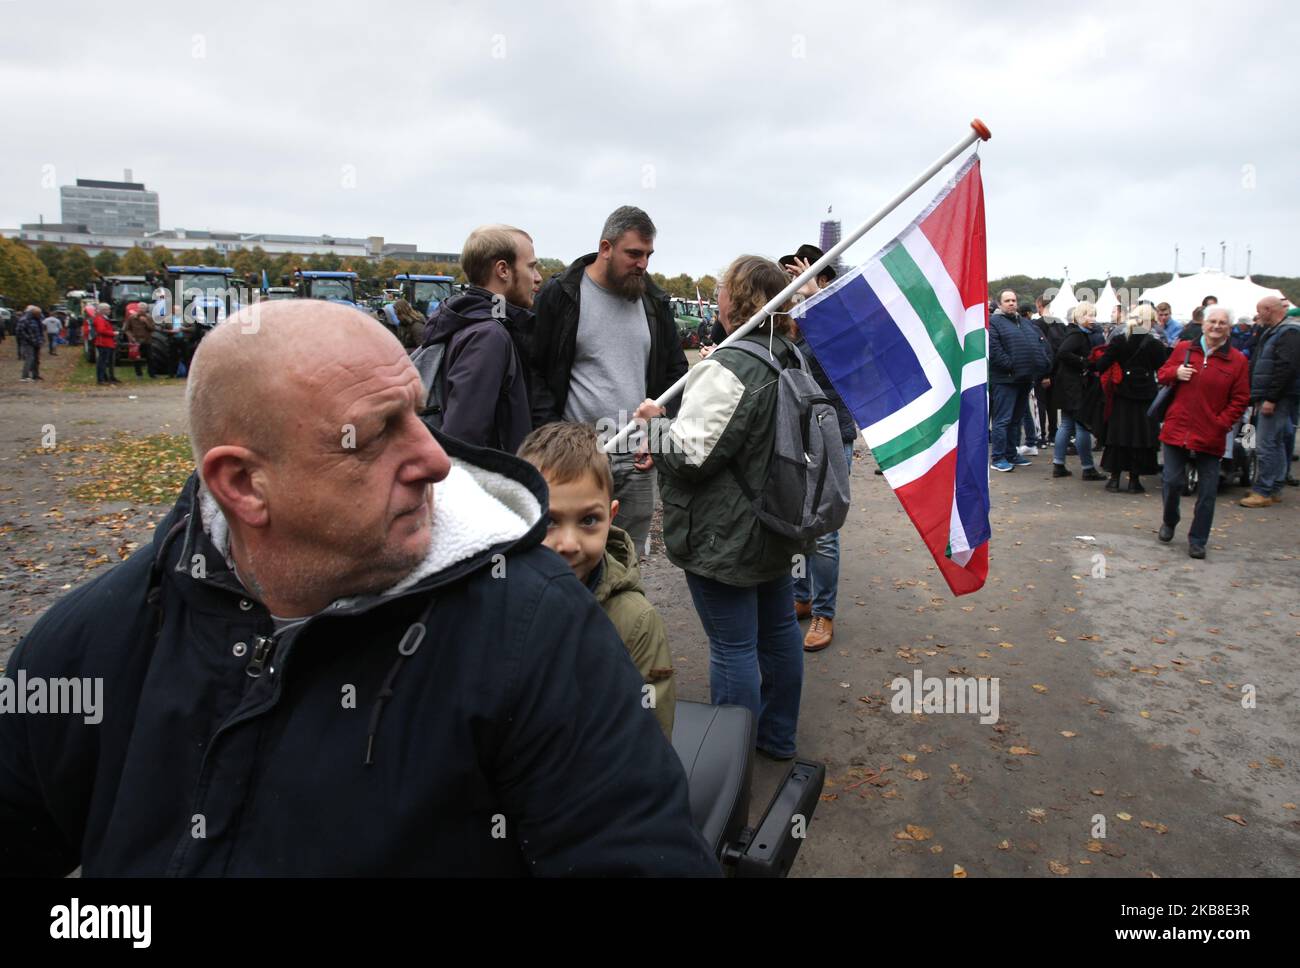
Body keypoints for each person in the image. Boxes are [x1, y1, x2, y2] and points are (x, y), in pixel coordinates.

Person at [0, 300, 717, 876]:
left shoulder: (533, 626)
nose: (437, 459)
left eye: (417, 411)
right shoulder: (97, 640)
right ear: (245, 484)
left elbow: (634, 845)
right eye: (375, 436)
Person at [656, 255, 806, 760]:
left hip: (728, 530)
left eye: (723, 289)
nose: (717, 297)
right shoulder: (789, 354)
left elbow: (690, 456)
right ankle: (776, 736)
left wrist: (654, 426)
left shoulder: (733, 364)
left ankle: (728, 759)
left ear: (737, 299)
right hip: (777, 518)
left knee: (734, 647)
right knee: (779, 630)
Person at [531, 206, 689, 557]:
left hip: (639, 460)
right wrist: (553, 442)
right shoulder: (562, 295)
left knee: (626, 564)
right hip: (579, 460)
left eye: (648, 255)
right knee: (572, 557)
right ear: (606, 248)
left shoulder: (654, 301)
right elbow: (536, 373)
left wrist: (658, 434)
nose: (643, 264)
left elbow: (675, 375)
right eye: (633, 253)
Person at [517, 421, 675, 739]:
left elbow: (648, 737)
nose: (569, 544)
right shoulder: (493, 600)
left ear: (611, 516)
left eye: (589, 520)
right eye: (549, 521)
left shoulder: (635, 623)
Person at [421, 225, 540, 453]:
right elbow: (464, 439)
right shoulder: (489, 336)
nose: (537, 278)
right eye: (531, 267)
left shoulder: (466, 320)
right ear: (503, 270)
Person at [1157, 307, 1250, 557]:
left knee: (1208, 491)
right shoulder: (1184, 349)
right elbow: (1162, 374)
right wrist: (1175, 372)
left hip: (1211, 433)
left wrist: (1222, 423)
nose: (1216, 326)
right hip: (1178, 426)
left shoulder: (1238, 360)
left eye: (1222, 323)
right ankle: (1170, 520)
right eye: (1212, 321)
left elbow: (1241, 399)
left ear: (1229, 328)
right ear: (1203, 324)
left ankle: (1198, 539)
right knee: (1172, 481)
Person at [1094, 304, 1168, 492]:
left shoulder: (1119, 340)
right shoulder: (1154, 344)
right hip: (1145, 395)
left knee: (1118, 436)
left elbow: (1102, 364)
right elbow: (1163, 370)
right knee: (1140, 438)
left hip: (1122, 394)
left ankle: (1114, 478)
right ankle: (1135, 480)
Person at [1240, 296, 1300, 508]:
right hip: (1275, 396)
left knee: (1266, 443)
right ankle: (1273, 486)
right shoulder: (1279, 331)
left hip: (1276, 397)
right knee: (1276, 441)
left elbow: (1286, 367)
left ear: (1268, 310)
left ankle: (1264, 490)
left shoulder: (1288, 332)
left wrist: (1271, 398)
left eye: (1260, 311)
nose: (1258, 316)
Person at [988, 289, 1051, 472]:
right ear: (1000, 304)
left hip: (1024, 379)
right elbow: (994, 349)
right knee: (1002, 420)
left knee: (1016, 420)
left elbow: (1039, 344)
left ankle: (1011, 453)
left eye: (1014, 300)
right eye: (1007, 300)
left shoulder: (1023, 323)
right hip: (1005, 380)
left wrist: (1041, 365)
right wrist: (1012, 366)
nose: (1011, 303)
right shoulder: (994, 323)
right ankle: (998, 457)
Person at [1051, 302, 1105, 480]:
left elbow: (1062, 354)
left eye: (1093, 315)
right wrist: (1083, 362)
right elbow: (1063, 353)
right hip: (1074, 386)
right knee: (1081, 426)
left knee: (1067, 424)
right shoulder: (1077, 334)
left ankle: (1059, 464)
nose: (1093, 319)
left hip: (1067, 385)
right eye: (1089, 315)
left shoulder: (1073, 332)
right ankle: (1087, 467)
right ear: (1080, 316)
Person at [1033, 297, 1067, 446]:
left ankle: (1042, 437)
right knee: (1052, 405)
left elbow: (1038, 350)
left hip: (1042, 371)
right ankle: (1053, 433)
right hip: (1057, 371)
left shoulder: (1037, 324)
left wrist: (1045, 374)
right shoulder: (1061, 323)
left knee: (1040, 404)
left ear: (1039, 306)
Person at [122, 301, 155, 378]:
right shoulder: (131, 318)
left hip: (147, 340)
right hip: (136, 341)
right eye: (140, 308)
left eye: (144, 308)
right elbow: (126, 329)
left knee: (150, 358)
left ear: (146, 309)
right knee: (137, 358)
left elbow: (152, 328)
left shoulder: (149, 318)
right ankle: (139, 374)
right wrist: (131, 337)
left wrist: (146, 321)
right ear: (138, 308)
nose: (142, 310)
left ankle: (152, 374)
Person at [90, 302, 119, 385]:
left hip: (107, 343)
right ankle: (101, 379)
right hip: (104, 343)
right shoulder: (100, 319)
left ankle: (107, 377)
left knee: (106, 361)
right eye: (108, 309)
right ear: (103, 310)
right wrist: (113, 333)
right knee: (102, 362)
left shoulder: (103, 318)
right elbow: (101, 330)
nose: (109, 311)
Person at [16, 306, 43, 382]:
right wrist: (28, 338)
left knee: (36, 360)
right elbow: (19, 331)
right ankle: (24, 376)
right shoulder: (24, 320)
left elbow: (40, 331)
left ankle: (35, 375)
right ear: (33, 313)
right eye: (37, 313)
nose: (39, 315)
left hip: (37, 342)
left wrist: (41, 340)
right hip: (28, 343)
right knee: (29, 359)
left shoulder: (37, 320)